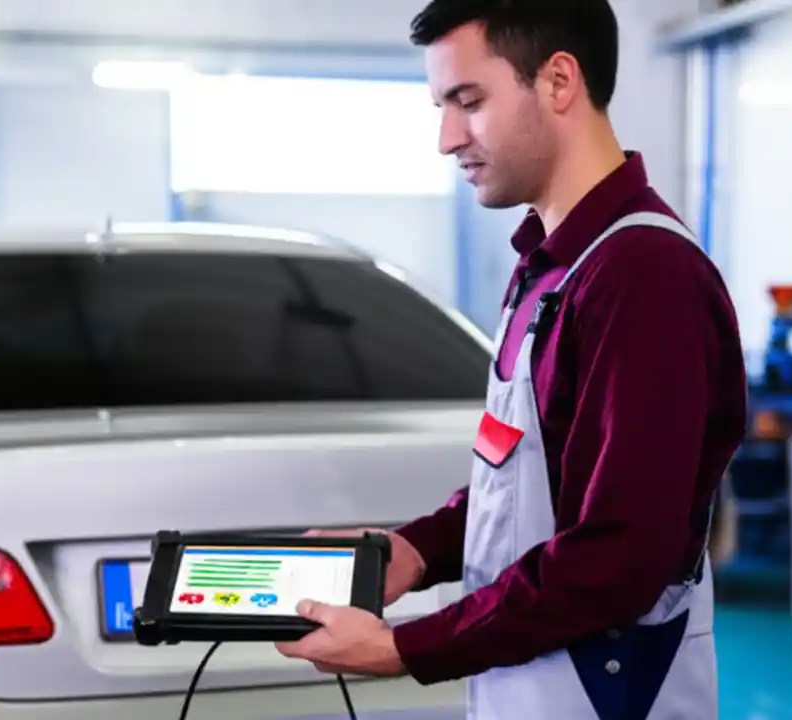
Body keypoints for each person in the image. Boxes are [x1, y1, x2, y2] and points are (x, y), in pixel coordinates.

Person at [274, 1, 748, 717]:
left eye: (469, 101)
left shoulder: (646, 275)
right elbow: (530, 486)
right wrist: (415, 550)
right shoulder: (547, 267)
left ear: (559, 81)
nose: (445, 138)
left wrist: (406, 648)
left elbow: (620, 556)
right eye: (441, 106)